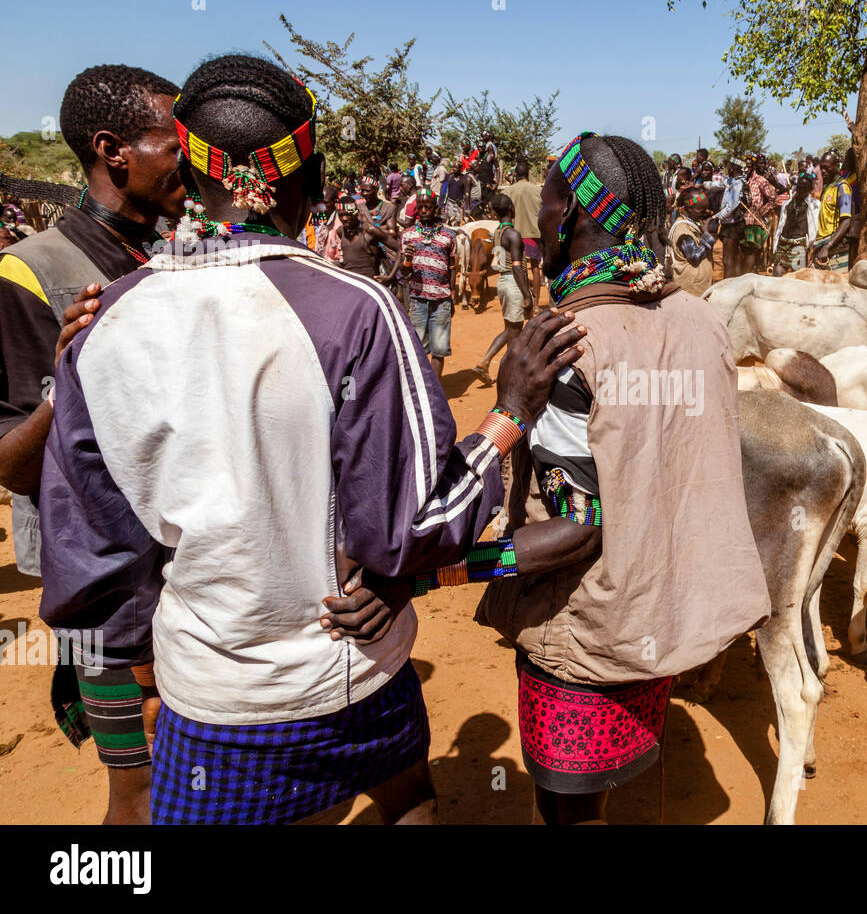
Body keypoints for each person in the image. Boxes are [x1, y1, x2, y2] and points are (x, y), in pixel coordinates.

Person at [39, 54, 585, 826]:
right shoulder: (357, 312)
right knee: (407, 800)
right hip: (351, 669)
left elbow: (92, 540)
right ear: (317, 174)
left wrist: (142, 669)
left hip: (206, 693)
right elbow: (411, 530)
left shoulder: (102, 325)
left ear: (193, 180)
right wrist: (507, 417)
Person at [472, 131, 769, 824]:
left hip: (585, 629)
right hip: (667, 612)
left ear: (570, 214)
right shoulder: (700, 319)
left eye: (544, 202)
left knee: (569, 812)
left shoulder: (559, 344)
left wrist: (449, 567)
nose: (533, 221)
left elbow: (579, 529)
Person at [1, 63, 186, 826]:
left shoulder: (177, 258)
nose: (193, 159)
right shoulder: (33, 270)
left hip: (183, 578)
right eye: (173, 143)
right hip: (104, 596)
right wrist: (66, 373)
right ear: (112, 150)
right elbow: (12, 464)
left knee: (190, 776)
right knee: (139, 796)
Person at [395, 190, 458, 377]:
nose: (423, 210)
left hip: (442, 299)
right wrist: (407, 259)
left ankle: (435, 390)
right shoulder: (407, 235)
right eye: (420, 207)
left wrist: (452, 295)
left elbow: (451, 268)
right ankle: (423, 387)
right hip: (417, 298)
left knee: (439, 348)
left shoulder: (449, 235)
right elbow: (405, 272)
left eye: (427, 206)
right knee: (418, 347)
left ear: (435, 207)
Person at [472, 192, 532, 384]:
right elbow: (516, 267)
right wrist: (527, 294)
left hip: (502, 283)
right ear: (512, 209)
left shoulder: (498, 232)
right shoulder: (513, 234)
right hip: (514, 284)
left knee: (510, 328)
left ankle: (485, 361)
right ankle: (510, 378)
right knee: (514, 336)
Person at [500, 161, 544, 303]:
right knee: (535, 268)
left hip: (514, 235)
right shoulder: (537, 190)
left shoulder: (508, 191)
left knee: (516, 266)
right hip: (534, 234)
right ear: (527, 174)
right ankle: (536, 304)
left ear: (516, 174)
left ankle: (522, 300)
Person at [666, 186, 718, 293]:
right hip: (691, 289)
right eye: (701, 210)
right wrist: (707, 237)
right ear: (689, 208)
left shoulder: (692, 225)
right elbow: (694, 257)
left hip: (697, 286)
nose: (706, 213)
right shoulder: (682, 230)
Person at [740, 154, 784, 275]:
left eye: (749, 167)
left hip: (760, 218)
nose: (746, 169)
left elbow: (775, 195)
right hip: (745, 220)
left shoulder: (764, 178)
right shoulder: (744, 180)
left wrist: (762, 211)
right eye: (745, 167)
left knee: (755, 249)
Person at [812, 150, 856, 267]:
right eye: (821, 168)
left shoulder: (842, 188)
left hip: (834, 247)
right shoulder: (828, 187)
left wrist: (828, 245)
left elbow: (846, 221)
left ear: (837, 167)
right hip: (821, 244)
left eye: (827, 168)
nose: (823, 171)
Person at [772, 171, 819, 276]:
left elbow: (814, 227)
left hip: (800, 244)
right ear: (796, 186)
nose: (801, 190)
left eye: (805, 188)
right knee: (777, 273)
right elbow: (781, 224)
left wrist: (811, 246)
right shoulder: (788, 203)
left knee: (797, 276)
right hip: (783, 242)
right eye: (800, 187)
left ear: (810, 189)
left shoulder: (814, 205)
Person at [713, 157, 747, 279]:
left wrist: (716, 217)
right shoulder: (731, 181)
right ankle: (735, 284)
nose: (728, 168)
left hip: (733, 225)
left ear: (733, 168)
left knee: (728, 259)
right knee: (735, 257)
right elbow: (714, 185)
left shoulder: (738, 184)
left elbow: (731, 206)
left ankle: (727, 284)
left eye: (730, 166)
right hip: (732, 223)